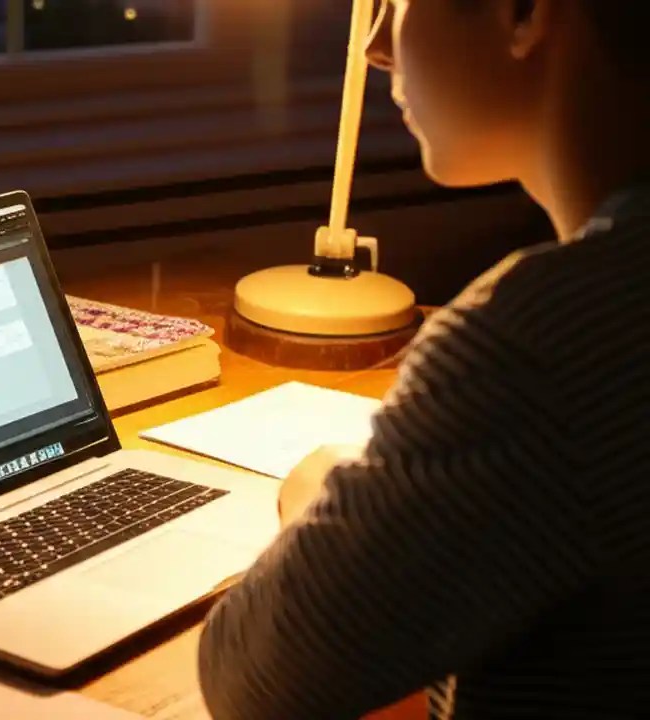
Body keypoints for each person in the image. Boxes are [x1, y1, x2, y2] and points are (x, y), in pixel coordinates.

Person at [197, 0, 650, 717]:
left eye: (396, 3)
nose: (376, 46)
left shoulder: (537, 342)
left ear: (524, 13)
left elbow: (252, 680)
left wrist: (323, 493)